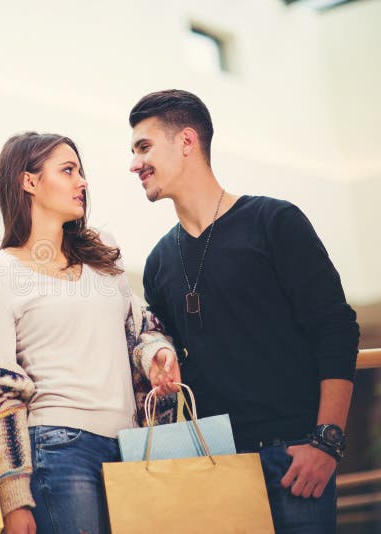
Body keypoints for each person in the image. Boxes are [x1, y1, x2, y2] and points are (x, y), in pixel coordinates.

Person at [129, 89, 360, 533]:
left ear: (186, 141)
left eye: (144, 147)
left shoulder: (274, 222)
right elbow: (163, 349)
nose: (134, 164)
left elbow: (336, 329)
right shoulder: (158, 263)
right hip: (216, 467)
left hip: (295, 459)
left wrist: (326, 443)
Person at [0, 132, 180, 534]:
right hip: (57, 449)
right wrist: (14, 500)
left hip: (134, 448)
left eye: (80, 172)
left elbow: (139, 329)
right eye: (68, 171)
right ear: (29, 181)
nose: (82, 182)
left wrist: (155, 352)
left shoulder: (103, 249)